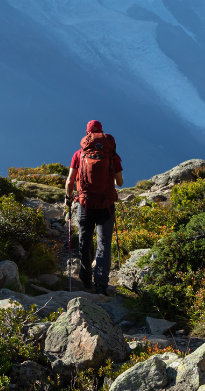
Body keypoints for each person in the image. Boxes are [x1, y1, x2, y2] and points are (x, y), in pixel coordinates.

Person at [65, 119, 124, 294]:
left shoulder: (79, 154)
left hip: (85, 204)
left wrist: (68, 198)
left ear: (87, 134)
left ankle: (85, 279)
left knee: (84, 241)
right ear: (101, 133)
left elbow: (69, 181)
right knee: (104, 243)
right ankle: (101, 283)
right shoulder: (112, 154)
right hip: (106, 205)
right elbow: (120, 183)